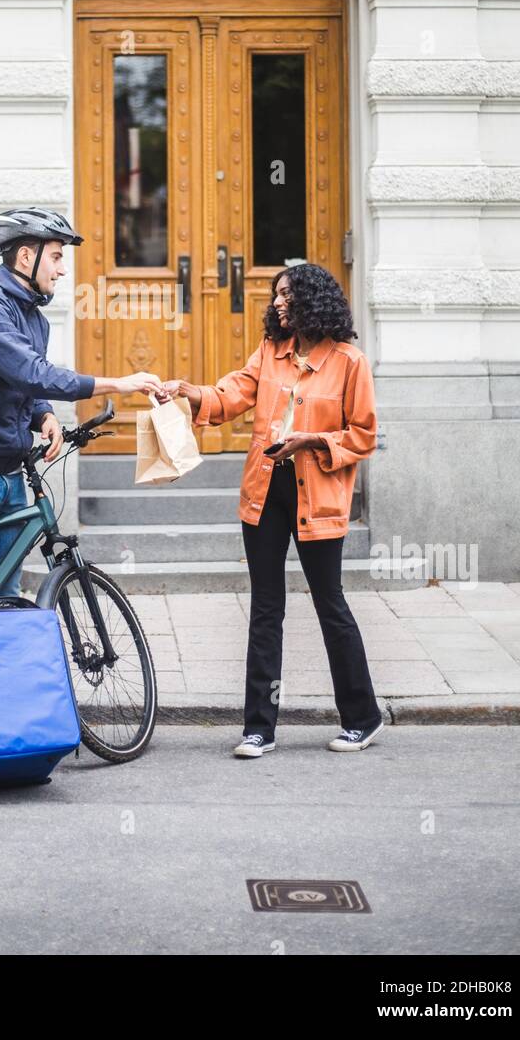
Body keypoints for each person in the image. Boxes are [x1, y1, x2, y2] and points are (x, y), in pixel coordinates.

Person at [160, 263, 384, 756]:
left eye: (287, 295)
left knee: (330, 603)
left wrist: (313, 441)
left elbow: (363, 435)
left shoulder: (349, 362)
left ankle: (363, 718)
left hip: (317, 495)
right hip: (264, 491)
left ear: (312, 300)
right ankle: (259, 728)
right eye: (276, 295)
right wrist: (188, 392)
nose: (278, 303)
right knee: (266, 608)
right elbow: (230, 395)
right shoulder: (270, 353)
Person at [0, 207, 163, 603]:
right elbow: (32, 372)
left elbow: (20, 380)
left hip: (7, 469)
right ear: (25, 257)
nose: (62, 270)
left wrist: (44, 413)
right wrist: (119, 384)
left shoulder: (34, 318)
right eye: (56, 257)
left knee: (6, 591)